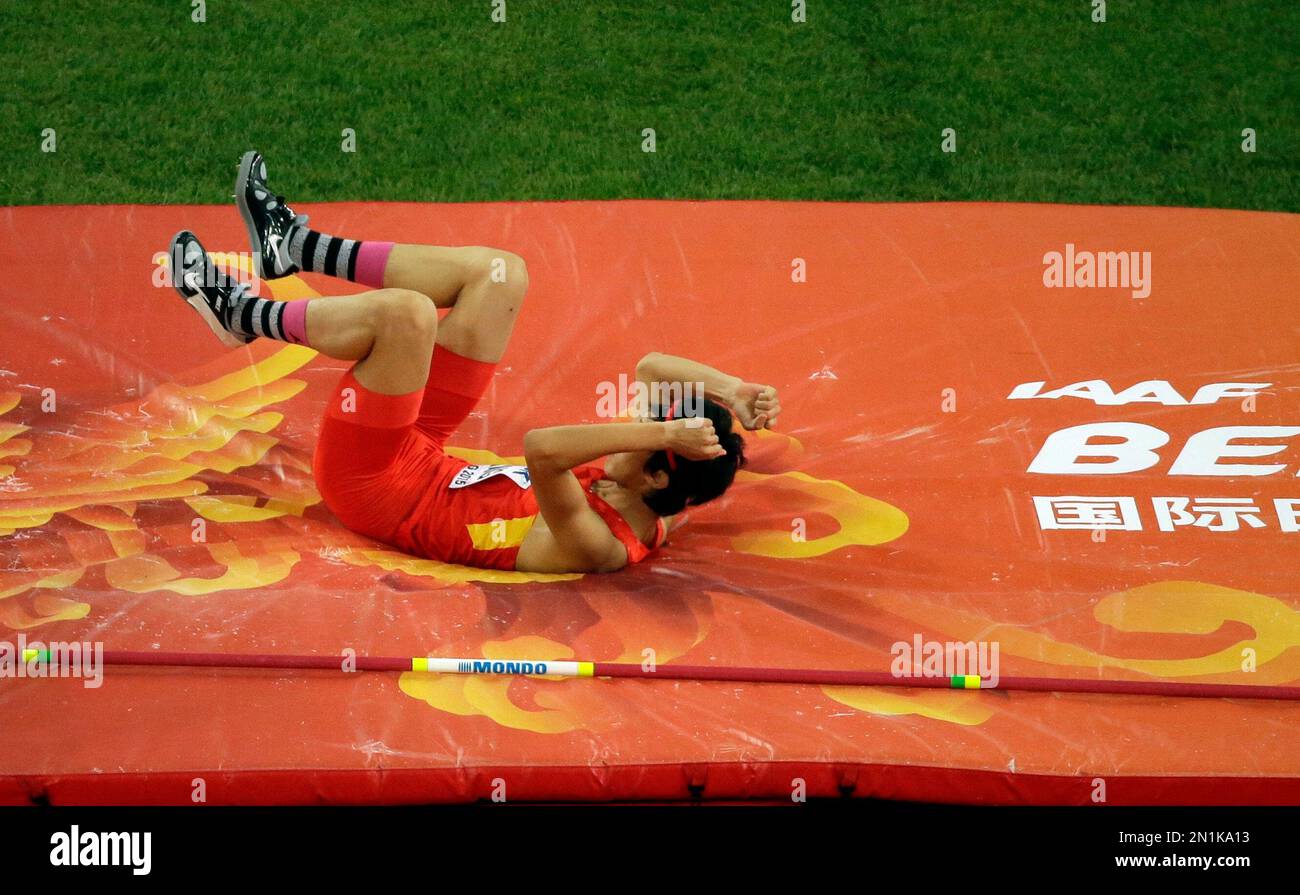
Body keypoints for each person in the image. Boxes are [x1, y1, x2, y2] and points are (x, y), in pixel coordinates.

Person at [167, 151, 781, 573]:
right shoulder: (649, 480)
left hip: (376, 487)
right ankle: (293, 246)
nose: (640, 411)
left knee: (406, 316)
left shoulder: (601, 543)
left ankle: (241, 317)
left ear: (656, 477)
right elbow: (651, 367)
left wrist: (665, 432)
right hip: (425, 448)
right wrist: (733, 391)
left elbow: (543, 448)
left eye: (652, 429)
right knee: (501, 274)